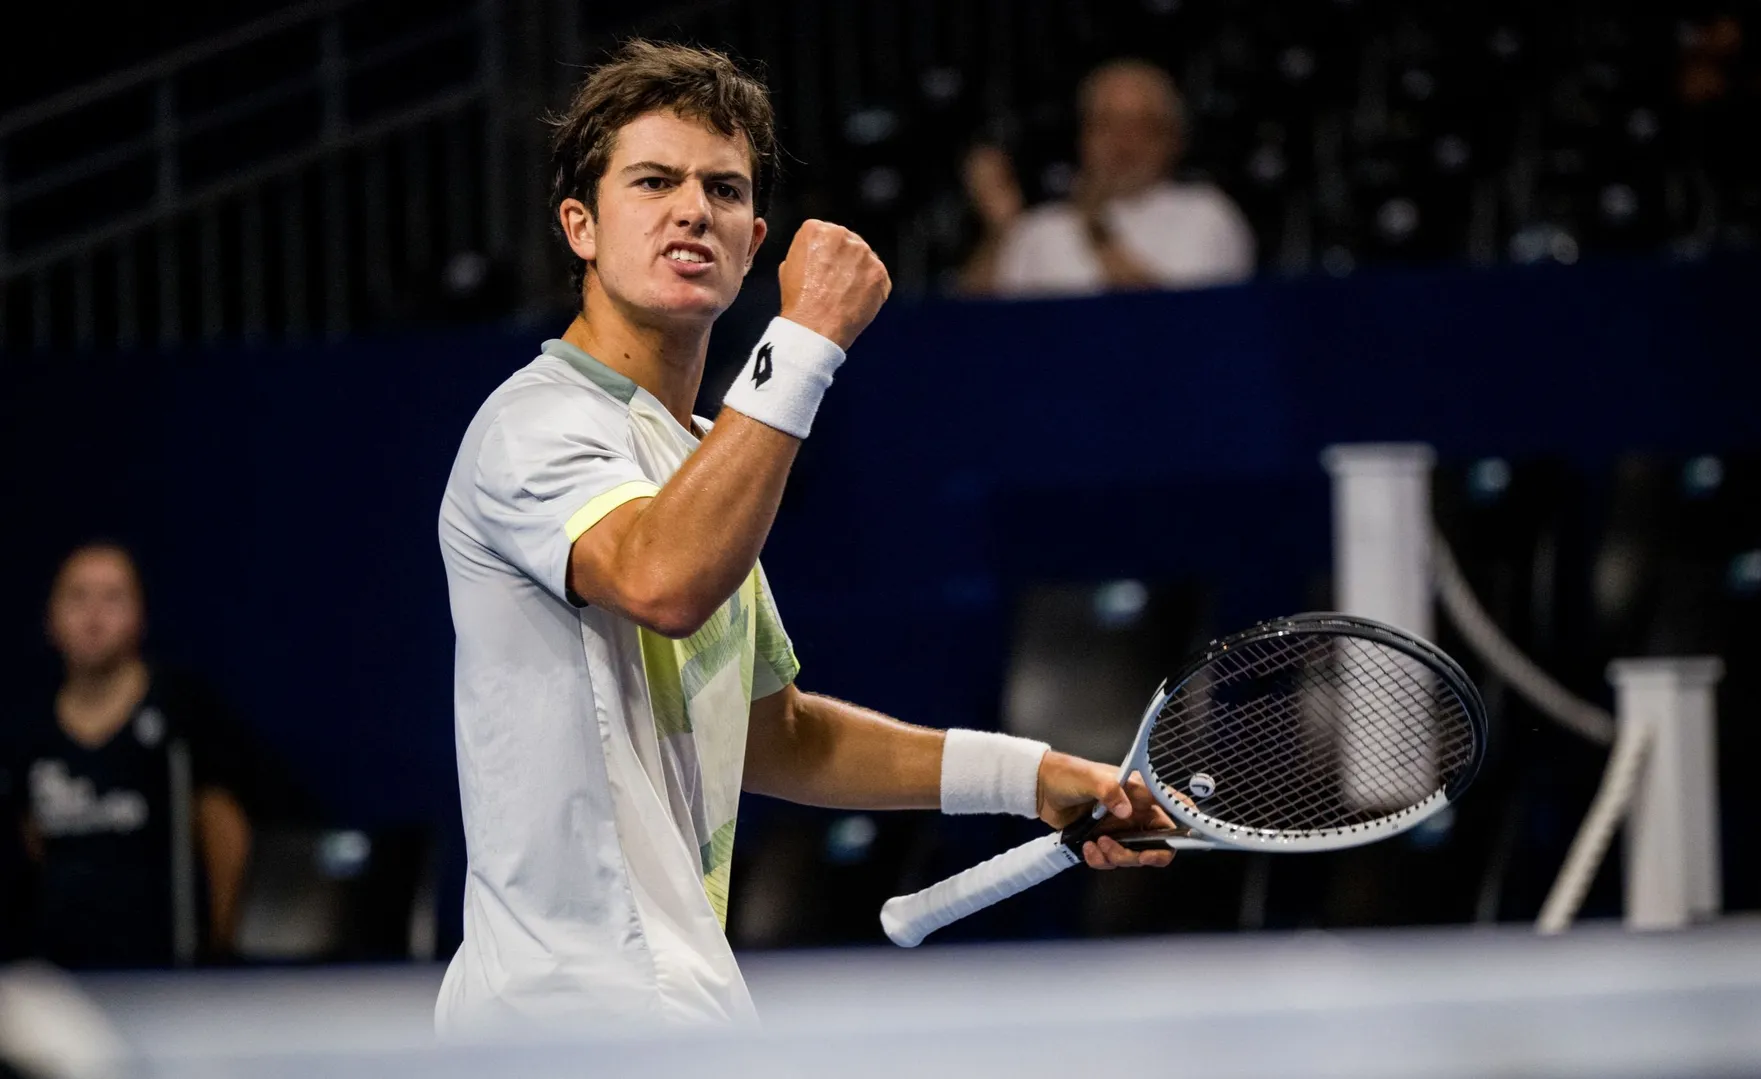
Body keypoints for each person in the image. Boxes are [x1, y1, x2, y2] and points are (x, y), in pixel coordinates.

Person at [435, 39, 1175, 1034]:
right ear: (581, 225)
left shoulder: (702, 452)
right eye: (653, 181)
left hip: (673, 1004)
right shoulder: (537, 424)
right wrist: (808, 340)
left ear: (752, 240)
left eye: (723, 189)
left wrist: (1036, 775)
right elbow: (661, 578)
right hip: (564, 1017)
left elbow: (781, 732)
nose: (693, 207)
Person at [2, 542, 251, 969]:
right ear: (50, 619)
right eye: (77, 597)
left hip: (163, 968)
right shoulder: (30, 732)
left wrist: (221, 942)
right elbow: (32, 844)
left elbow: (224, 832)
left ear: (140, 617)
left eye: (113, 598)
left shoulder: (178, 710)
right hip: (62, 973)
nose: (94, 617)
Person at [959, 59, 1256, 297]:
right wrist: (1000, 232)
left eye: (1140, 126)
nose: (1122, 144)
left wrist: (1096, 229)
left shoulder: (1206, 214)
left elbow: (1171, 324)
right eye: (1105, 125)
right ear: (1082, 137)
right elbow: (967, 325)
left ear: (1172, 140)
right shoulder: (1044, 226)